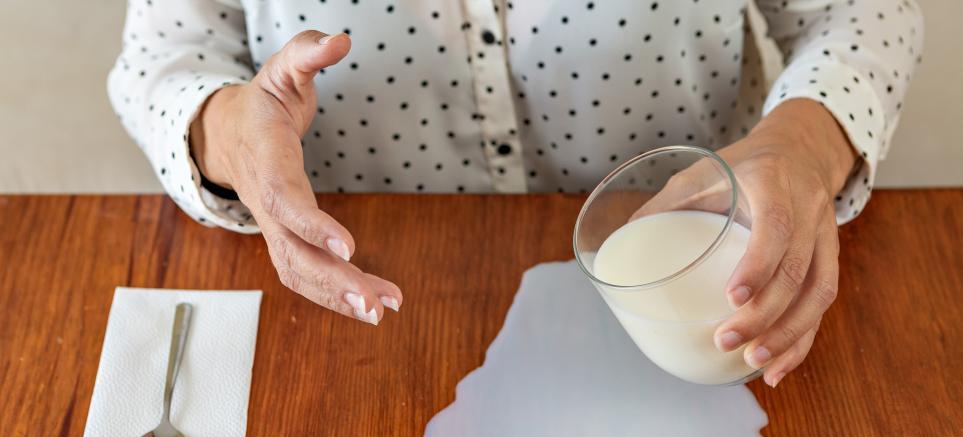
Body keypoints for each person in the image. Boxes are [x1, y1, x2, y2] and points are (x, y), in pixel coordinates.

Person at [108, 0, 922, 387]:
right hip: (364, 321)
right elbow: (165, 58)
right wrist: (230, 133)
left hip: (716, 258)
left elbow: (863, 13)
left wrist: (806, 140)